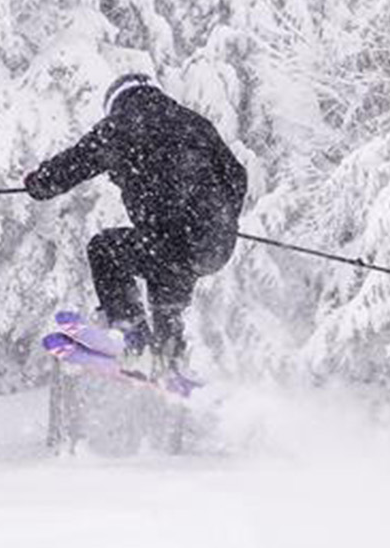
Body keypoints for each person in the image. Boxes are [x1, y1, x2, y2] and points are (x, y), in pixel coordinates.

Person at [24, 73, 248, 375]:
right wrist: (219, 218)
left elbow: (77, 161)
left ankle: (135, 341)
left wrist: (40, 183)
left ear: (116, 102)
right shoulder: (196, 123)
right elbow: (237, 175)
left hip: (172, 238)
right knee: (167, 277)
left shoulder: (123, 123)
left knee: (106, 250)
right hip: (214, 245)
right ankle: (172, 357)